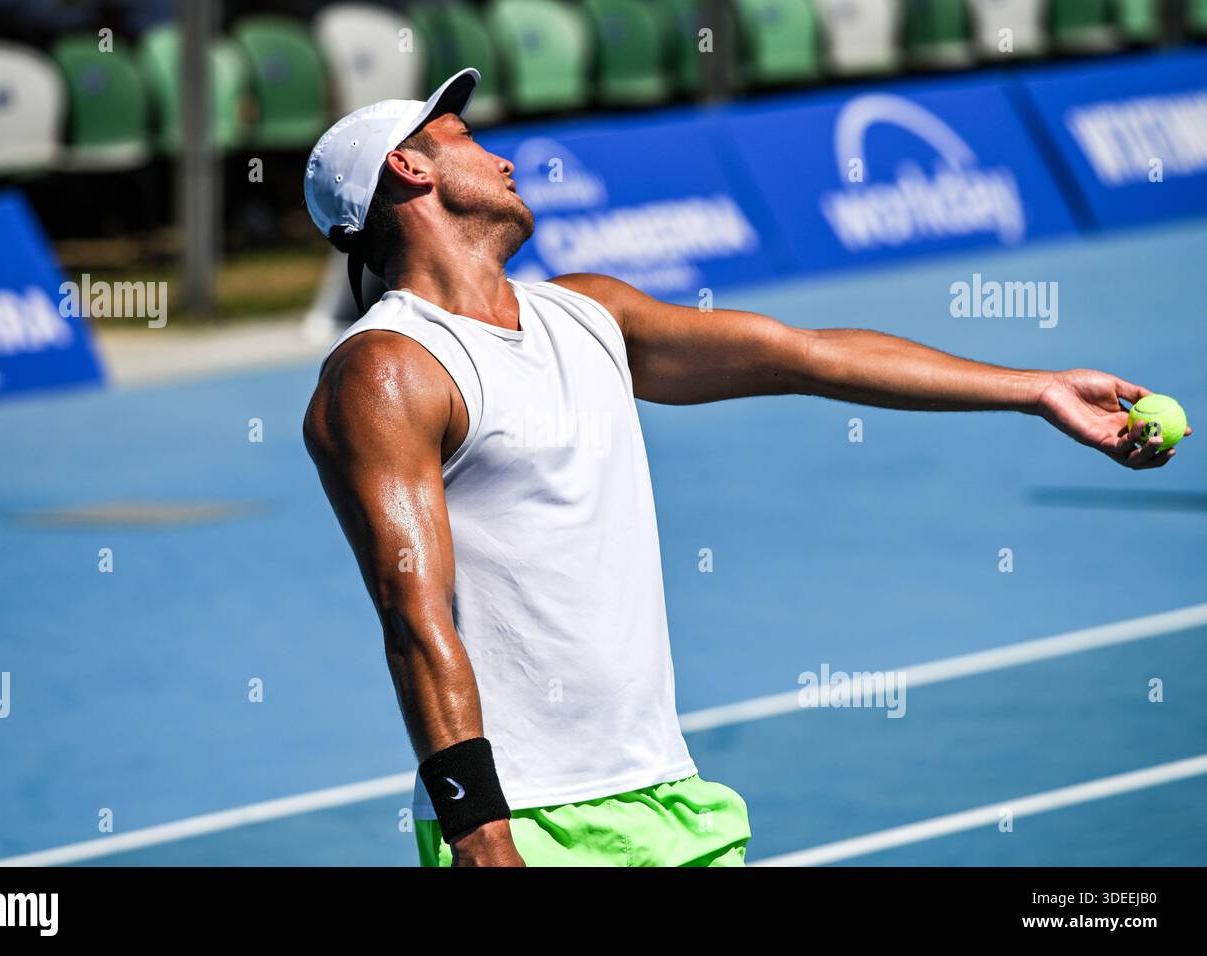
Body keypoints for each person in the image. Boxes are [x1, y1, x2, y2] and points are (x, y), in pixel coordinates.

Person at [301, 68, 1188, 867]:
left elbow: (808, 355)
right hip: (528, 818)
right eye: (464, 139)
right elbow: (414, 618)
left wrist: (1035, 390)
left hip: (668, 794)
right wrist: (481, 833)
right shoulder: (387, 371)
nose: (504, 159)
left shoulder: (589, 314)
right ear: (409, 172)